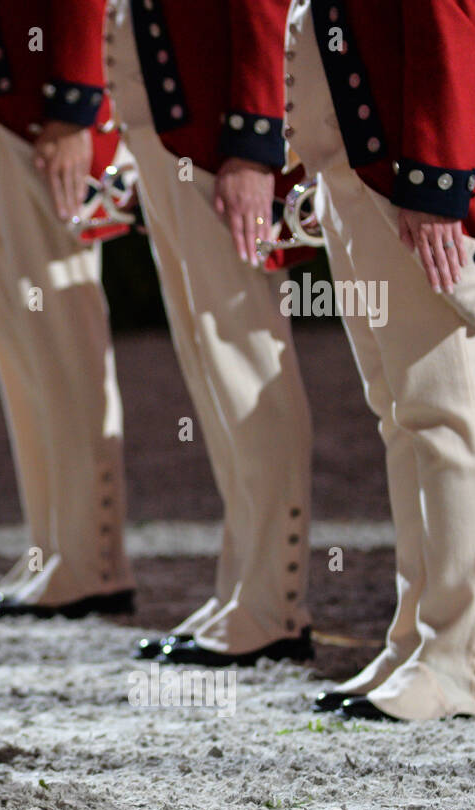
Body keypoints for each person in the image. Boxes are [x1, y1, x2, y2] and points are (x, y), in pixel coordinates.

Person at [263, 0, 475, 719]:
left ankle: (463, 659)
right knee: (399, 410)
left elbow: (456, 15)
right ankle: (418, 635)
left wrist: (435, 179)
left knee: (443, 412)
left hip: (412, 168)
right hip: (360, 160)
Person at [104, 0, 316, 666]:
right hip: (170, 128)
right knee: (211, 361)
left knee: (245, 361)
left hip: (212, 131)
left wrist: (255, 143)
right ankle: (244, 588)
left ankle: (274, 602)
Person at [0, 0, 137, 621]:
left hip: (35, 108)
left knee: (63, 339)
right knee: (23, 345)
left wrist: (75, 104)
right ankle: (52, 545)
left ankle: (92, 559)